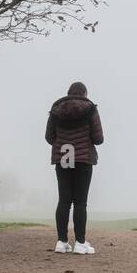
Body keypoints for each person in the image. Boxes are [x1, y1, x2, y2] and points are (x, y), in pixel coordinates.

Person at [45, 81, 104, 254]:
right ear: (84, 94)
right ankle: (80, 242)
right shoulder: (90, 108)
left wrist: (64, 140)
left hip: (63, 157)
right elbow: (99, 138)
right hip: (83, 158)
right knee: (80, 201)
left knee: (64, 200)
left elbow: (49, 137)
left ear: (69, 93)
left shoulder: (56, 110)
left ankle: (61, 242)